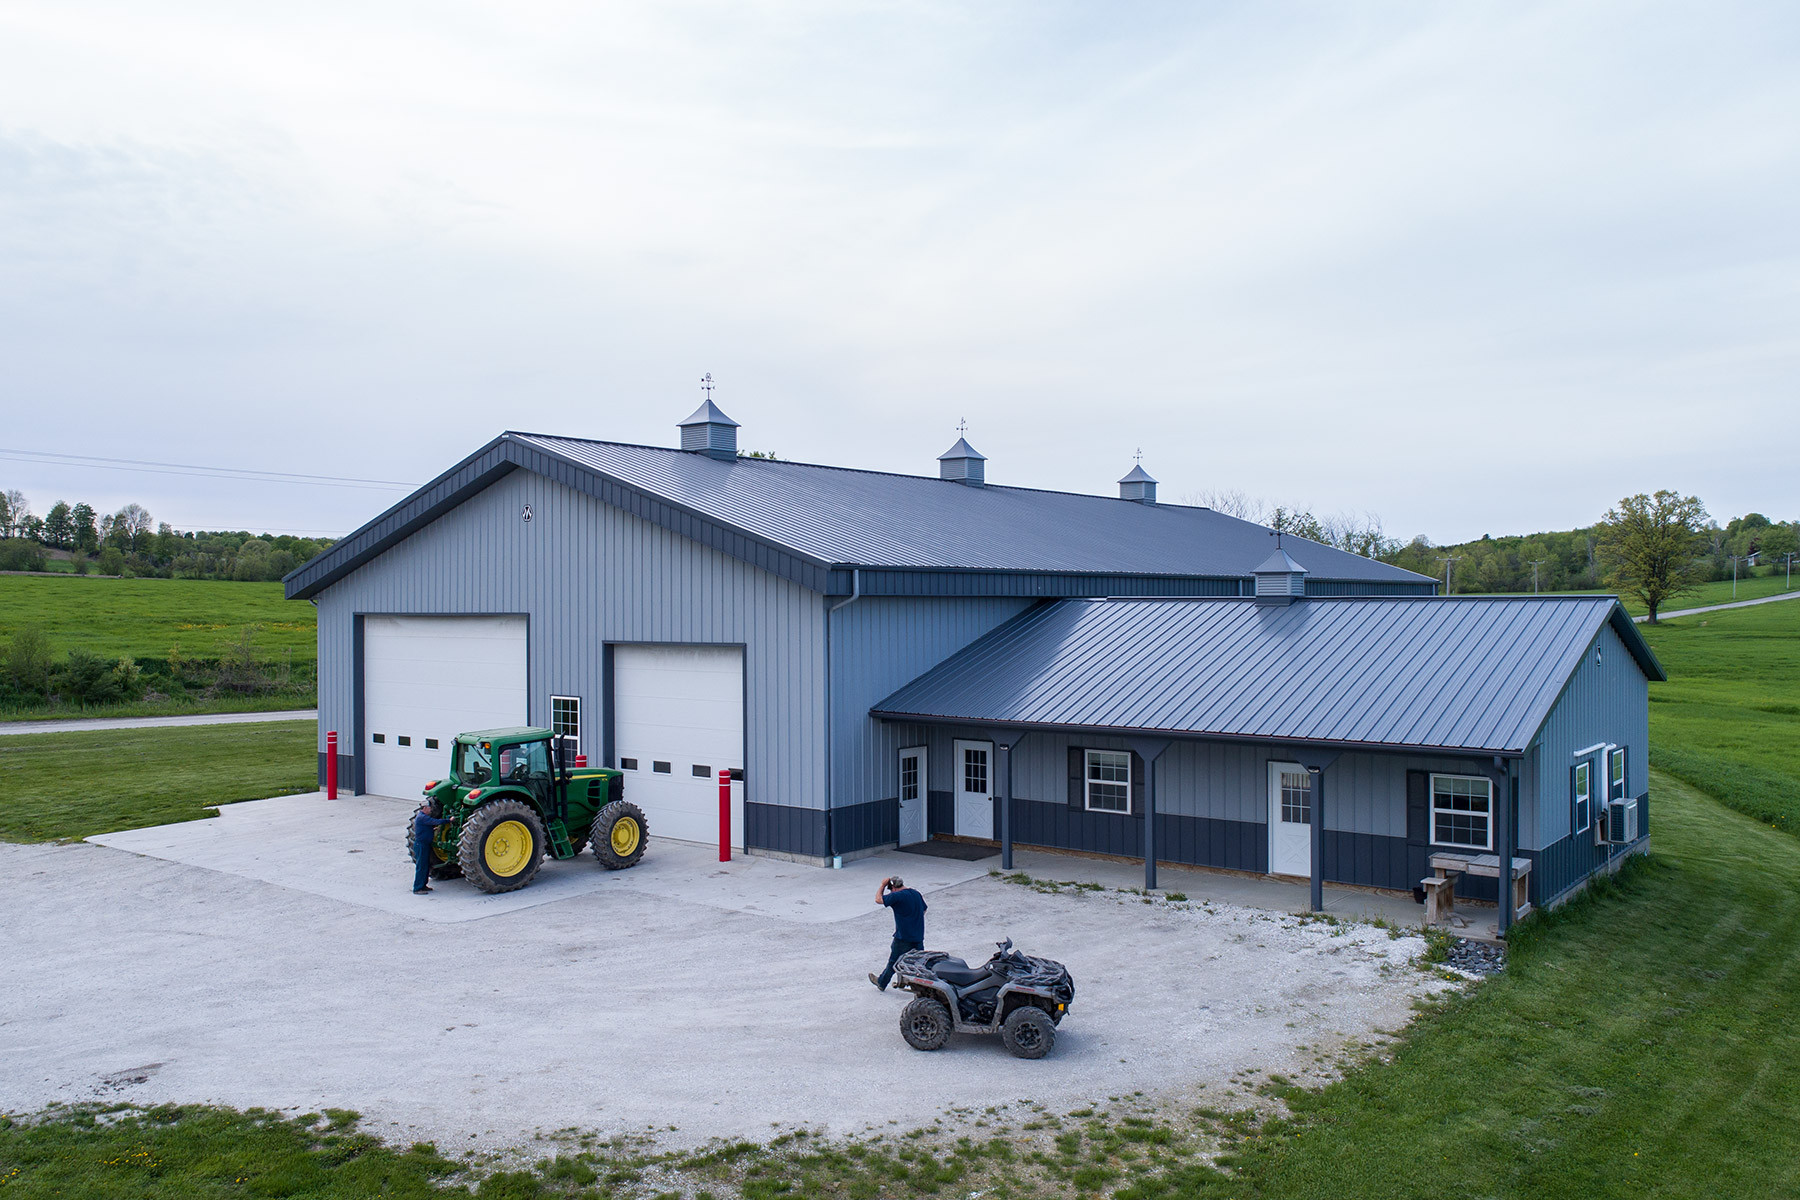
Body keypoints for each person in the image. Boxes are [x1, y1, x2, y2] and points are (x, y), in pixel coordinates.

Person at [870, 875, 927, 991]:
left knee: (894, 962)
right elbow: (924, 909)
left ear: (893, 888)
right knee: (919, 963)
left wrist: (882, 885)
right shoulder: (916, 894)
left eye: (890, 889)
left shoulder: (897, 896)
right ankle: (921, 987)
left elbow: (878, 899)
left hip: (903, 937)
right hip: (918, 935)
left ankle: (882, 982)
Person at [411, 801, 453, 894]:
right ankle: (418, 888)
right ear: (425, 808)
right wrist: (449, 820)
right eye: (429, 808)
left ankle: (423, 886)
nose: (430, 810)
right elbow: (435, 822)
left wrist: (432, 829)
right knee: (421, 867)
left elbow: (429, 826)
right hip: (421, 845)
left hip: (425, 845)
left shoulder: (422, 817)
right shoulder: (422, 817)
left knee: (425, 866)